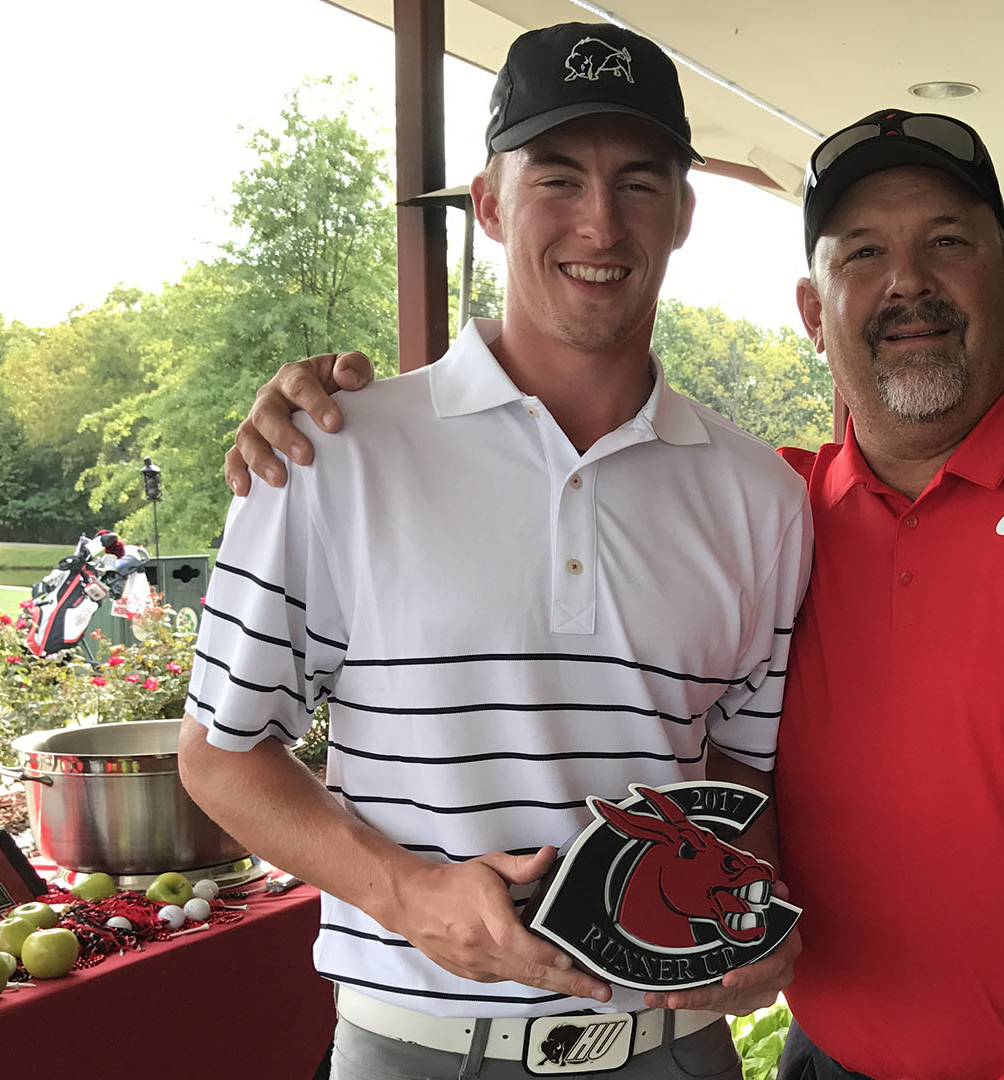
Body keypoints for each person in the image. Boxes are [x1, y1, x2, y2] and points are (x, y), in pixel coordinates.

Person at [230, 108, 1004, 1080]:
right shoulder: (780, 511)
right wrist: (320, 413)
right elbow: (731, 771)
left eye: (947, 242)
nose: (907, 283)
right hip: (828, 1064)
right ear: (815, 311)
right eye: (865, 252)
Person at [181, 22, 810, 1080]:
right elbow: (221, 753)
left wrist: (758, 907)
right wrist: (406, 893)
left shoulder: (761, 499)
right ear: (489, 202)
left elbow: (741, 769)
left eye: (640, 184)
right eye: (557, 178)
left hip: (675, 1049)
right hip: (417, 1049)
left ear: (685, 215)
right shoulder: (336, 448)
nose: (600, 222)